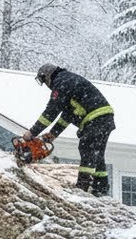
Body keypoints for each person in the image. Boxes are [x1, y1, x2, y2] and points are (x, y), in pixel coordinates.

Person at [23, 63, 115, 196]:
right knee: (97, 154)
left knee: (86, 147)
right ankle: (100, 188)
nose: (47, 86)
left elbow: (51, 112)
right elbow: (68, 115)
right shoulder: (69, 81)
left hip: (95, 118)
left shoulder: (61, 83)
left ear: (48, 76)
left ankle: (82, 187)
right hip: (105, 117)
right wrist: (53, 134)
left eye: (45, 82)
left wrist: (32, 132)